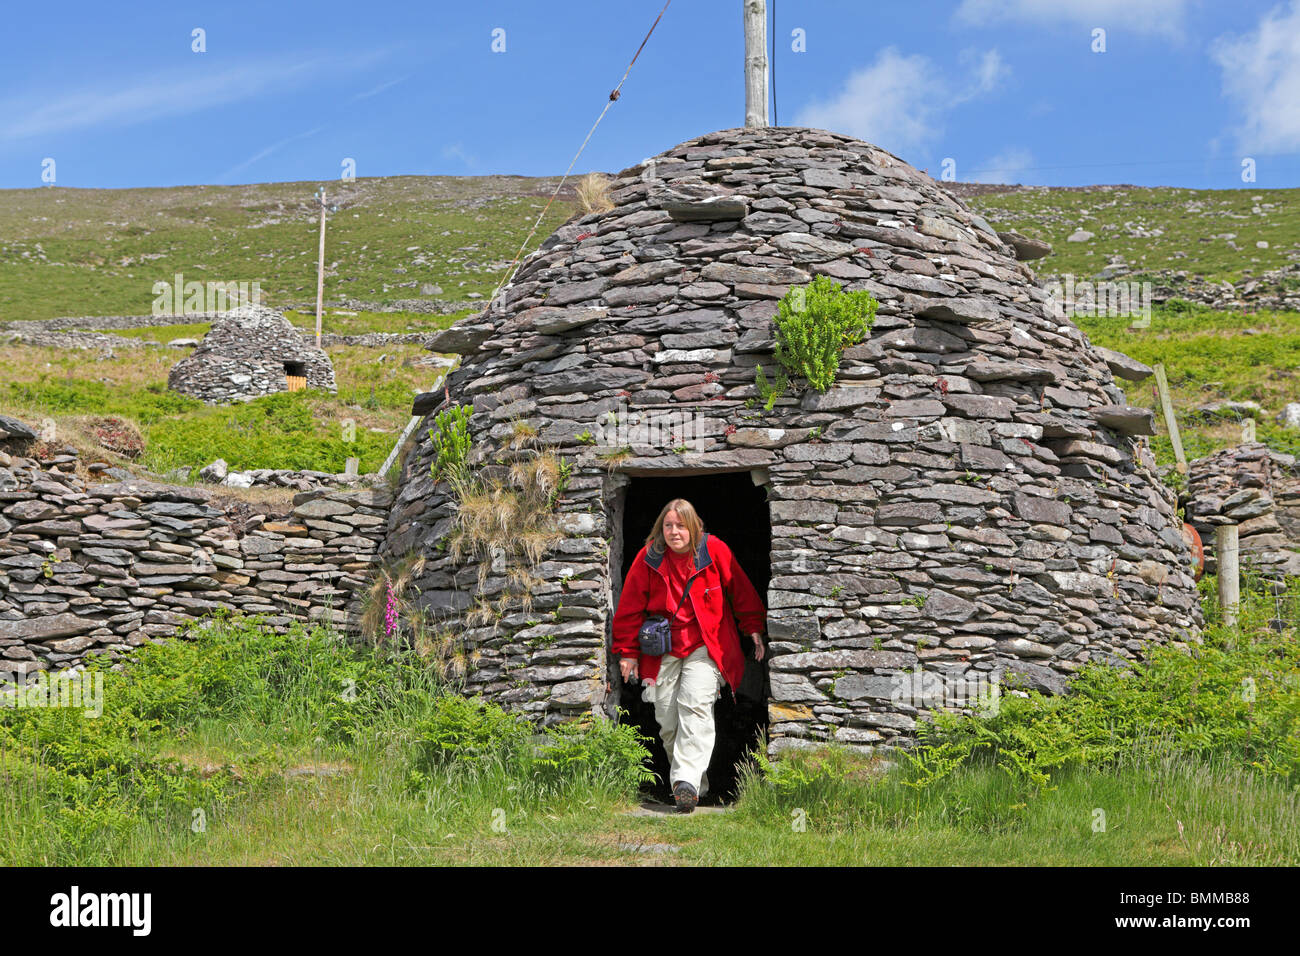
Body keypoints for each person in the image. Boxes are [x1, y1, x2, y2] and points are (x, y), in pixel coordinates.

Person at [610, 498, 767, 813]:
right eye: (668, 525)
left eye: (680, 525)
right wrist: (627, 651)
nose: (673, 531)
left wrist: (753, 627)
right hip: (662, 651)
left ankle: (684, 783)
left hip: (706, 647)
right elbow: (629, 608)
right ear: (661, 528)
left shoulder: (714, 551)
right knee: (668, 721)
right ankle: (695, 785)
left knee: (694, 705)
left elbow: (740, 589)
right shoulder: (649, 558)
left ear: (693, 526)